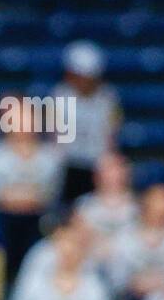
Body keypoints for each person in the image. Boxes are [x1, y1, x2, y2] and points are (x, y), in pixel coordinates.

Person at [0, 93, 64, 283]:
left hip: (36, 221)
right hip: (1, 221)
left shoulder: (49, 156)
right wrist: (18, 196)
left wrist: (18, 196)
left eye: (26, 117)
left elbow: (50, 193)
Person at [50, 41, 123, 204]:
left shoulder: (108, 97)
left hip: (96, 165)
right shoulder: (59, 95)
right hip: (66, 165)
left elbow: (112, 132)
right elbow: (54, 136)